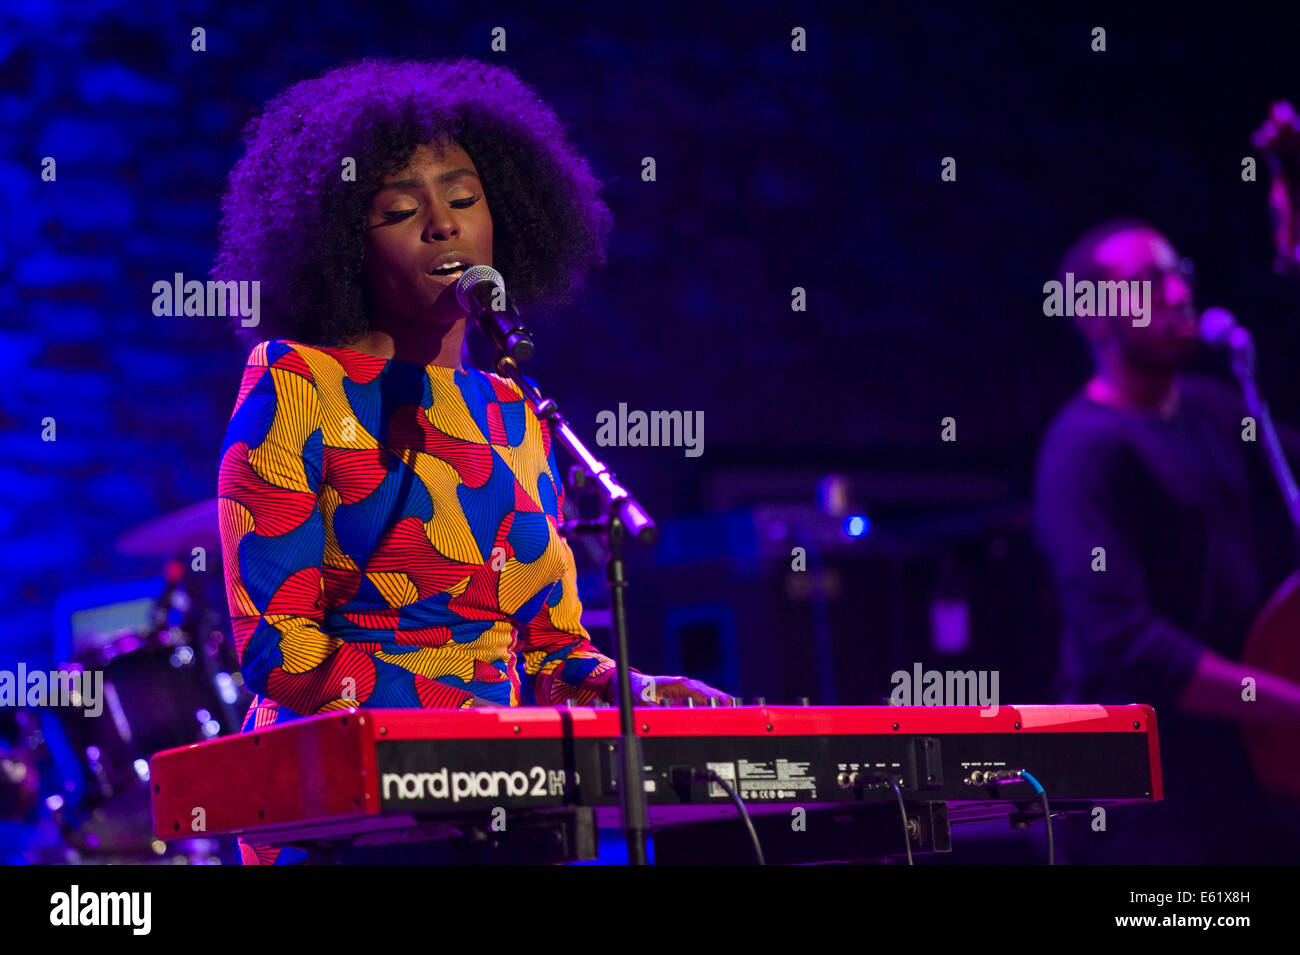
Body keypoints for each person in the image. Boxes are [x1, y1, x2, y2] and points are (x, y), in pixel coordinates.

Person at [212, 57, 730, 865]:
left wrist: (641, 696)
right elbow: (276, 646)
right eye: (399, 210)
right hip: (349, 810)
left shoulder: (517, 413)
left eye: (462, 199)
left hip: (509, 800)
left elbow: (552, 652)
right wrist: (463, 713)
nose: (443, 225)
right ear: (342, 241)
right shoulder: (296, 382)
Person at [1032, 218, 1300, 864]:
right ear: (1095, 319)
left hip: (1238, 777)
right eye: (1150, 281)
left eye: (1179, 271)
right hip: (1140, 802)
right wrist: (1289, 704)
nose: (1179, 292)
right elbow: (1126, 642)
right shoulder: (1083, 451)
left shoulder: (1217, 410)